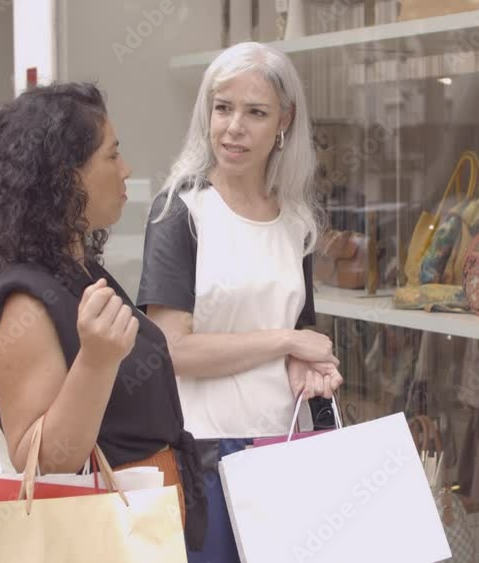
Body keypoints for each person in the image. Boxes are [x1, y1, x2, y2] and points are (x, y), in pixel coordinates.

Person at [0, 82, 206, 550]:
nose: (126, 170)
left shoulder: (77, 271)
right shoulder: (25, 300)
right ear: (65, 178)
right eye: (112, 155)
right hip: (106, 535)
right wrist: (95, 361)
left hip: (147, 526)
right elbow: (43, 460)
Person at [137, 42, 343, 561]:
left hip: (285, 444)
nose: (234, 128)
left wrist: (306, 362)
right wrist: (285, 341)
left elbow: (299, 335)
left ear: (284, 121)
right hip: (204, 449)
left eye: (255, 113)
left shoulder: (296, 221)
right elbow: (172, 349)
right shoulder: (181, 211)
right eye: (223, 108)